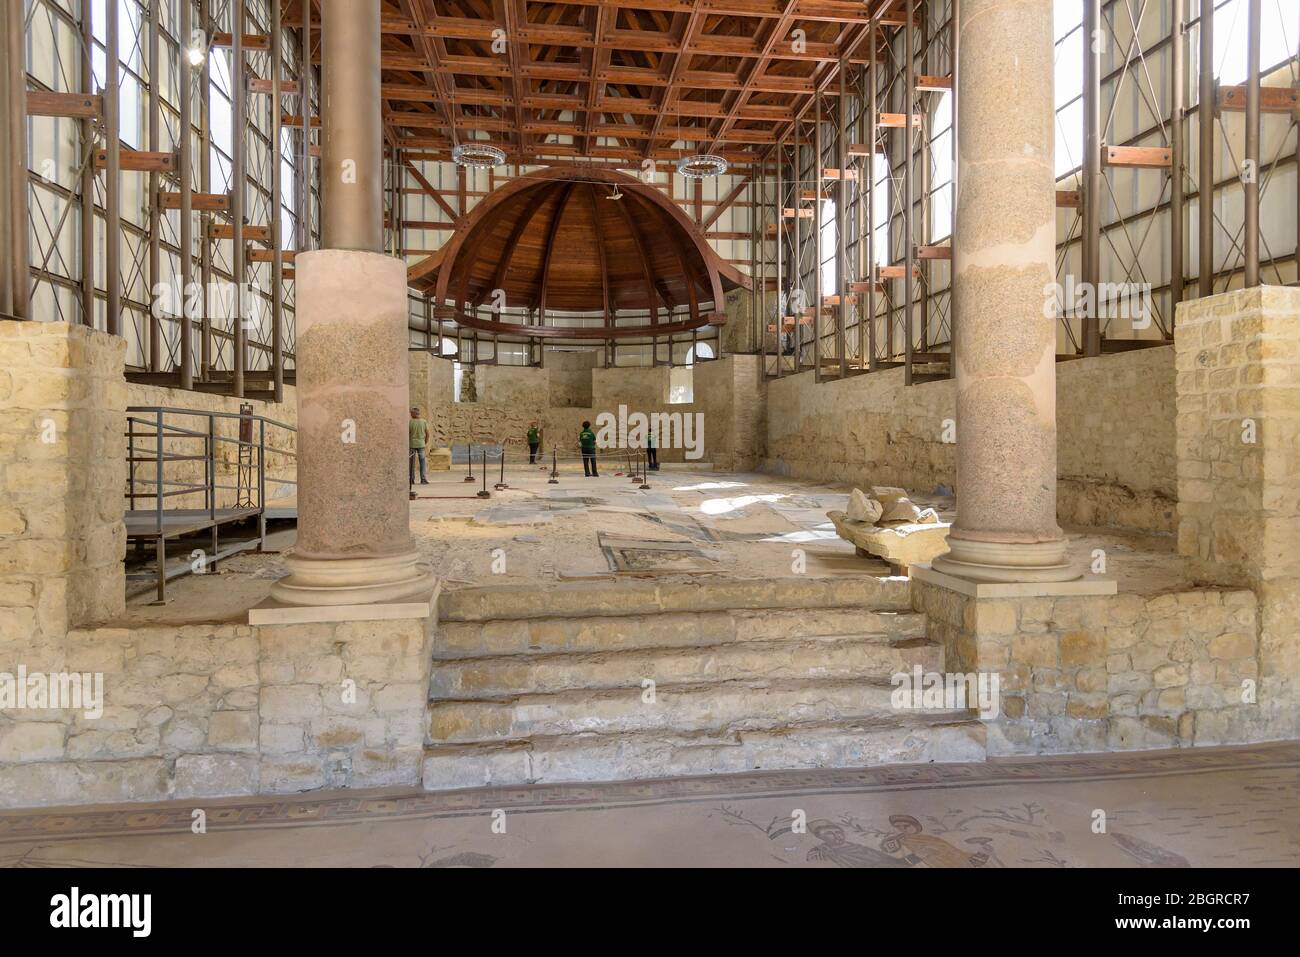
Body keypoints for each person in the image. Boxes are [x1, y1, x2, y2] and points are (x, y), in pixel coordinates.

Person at [409, 406, 430, 486]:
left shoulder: (410, 422)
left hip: (412, 444)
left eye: (411, 413)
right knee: (422, 462)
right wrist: (425, 442)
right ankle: (423, 479)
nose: (410, 414)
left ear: (414, 414)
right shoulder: (424, 422)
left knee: (411, 463)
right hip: (421, 444)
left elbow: (408, 433)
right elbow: (427, 433)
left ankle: (411, 479)